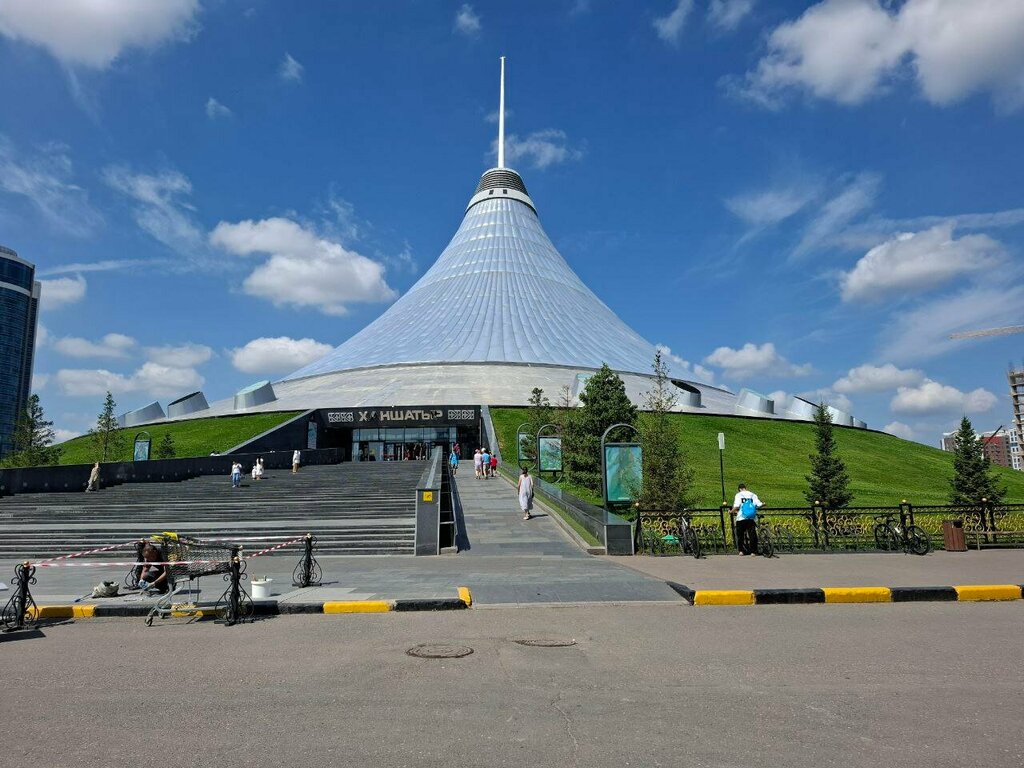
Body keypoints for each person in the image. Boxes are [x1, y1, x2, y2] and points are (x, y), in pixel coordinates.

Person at [731, 483, 764, 556]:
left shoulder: (739, 495)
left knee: (740, 535)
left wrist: (731, 511)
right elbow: (759, 504)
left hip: (741, 517)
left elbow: (736, 506)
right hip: (751, 517)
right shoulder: (753, 495)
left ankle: (741, 551)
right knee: (752, 535)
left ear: (739, 489)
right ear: (745, 488)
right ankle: (753, 552)